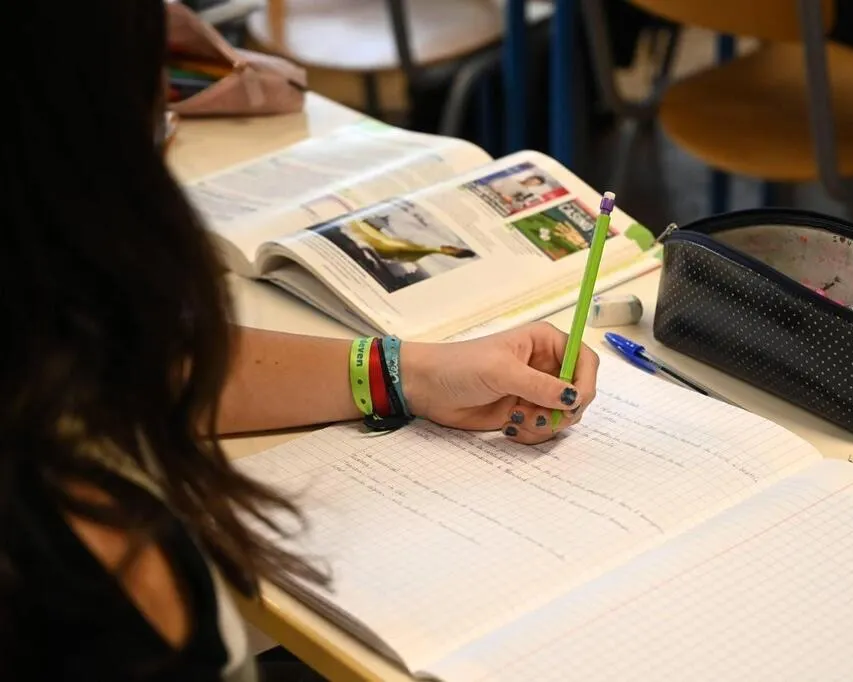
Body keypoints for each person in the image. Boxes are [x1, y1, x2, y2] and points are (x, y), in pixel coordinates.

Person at [0, 2, 599, 680]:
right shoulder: (85, 577)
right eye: (163, 97)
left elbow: (144, 365)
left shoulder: (44, 345)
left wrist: (406, 373)